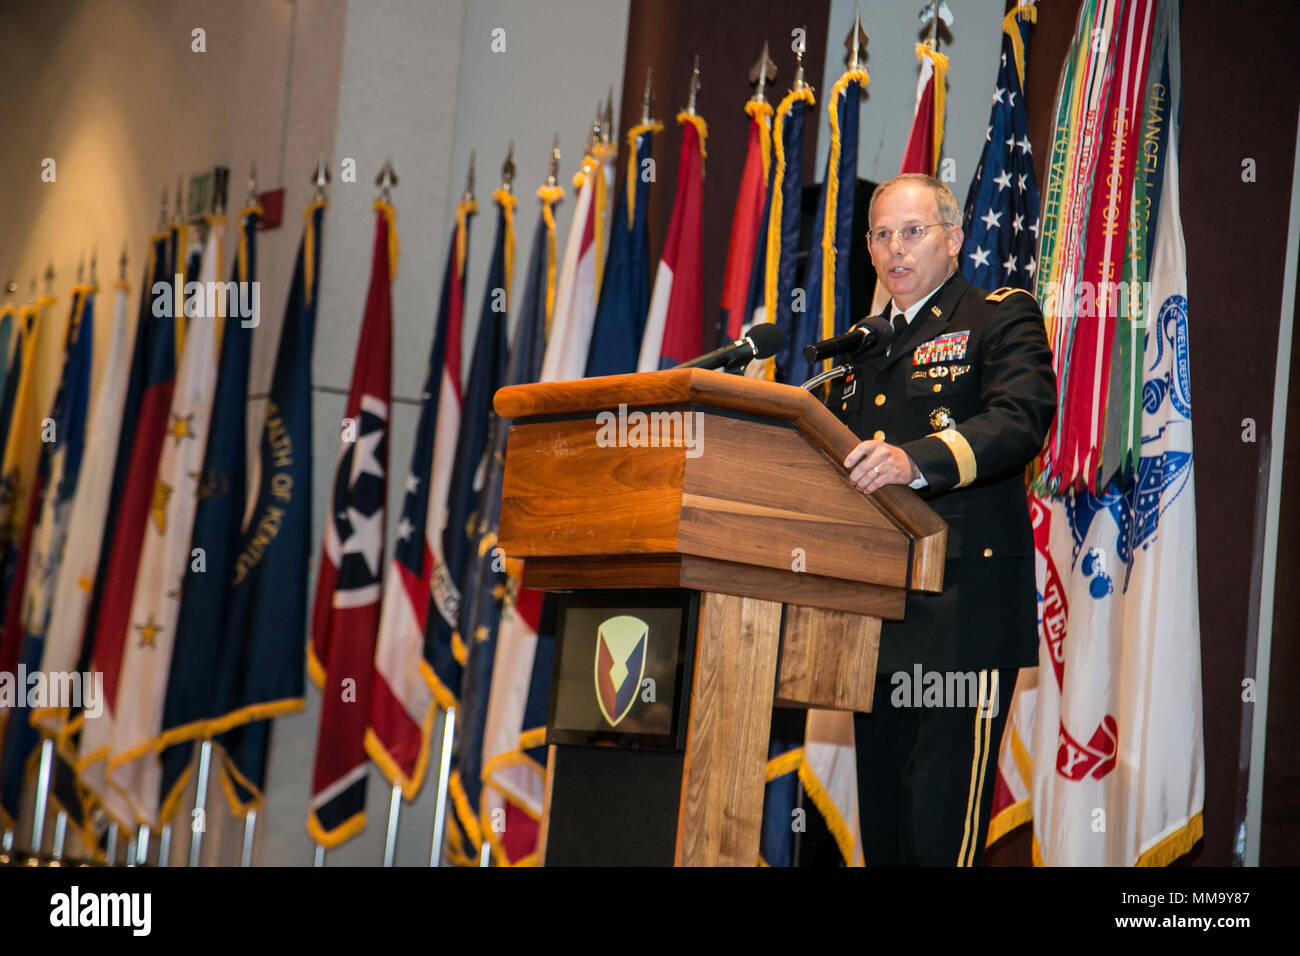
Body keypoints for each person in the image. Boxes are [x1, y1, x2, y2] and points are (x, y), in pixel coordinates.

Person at [828, 173, 1056, 866]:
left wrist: (912, 461)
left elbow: (1020, 420)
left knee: (939, 835)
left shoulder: (997, 316)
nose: (896, 247)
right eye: (882, 234)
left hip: (964, 611)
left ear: (954, 239)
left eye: (914, 230)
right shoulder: (860, 348)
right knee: (888, 837)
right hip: (878, 610)